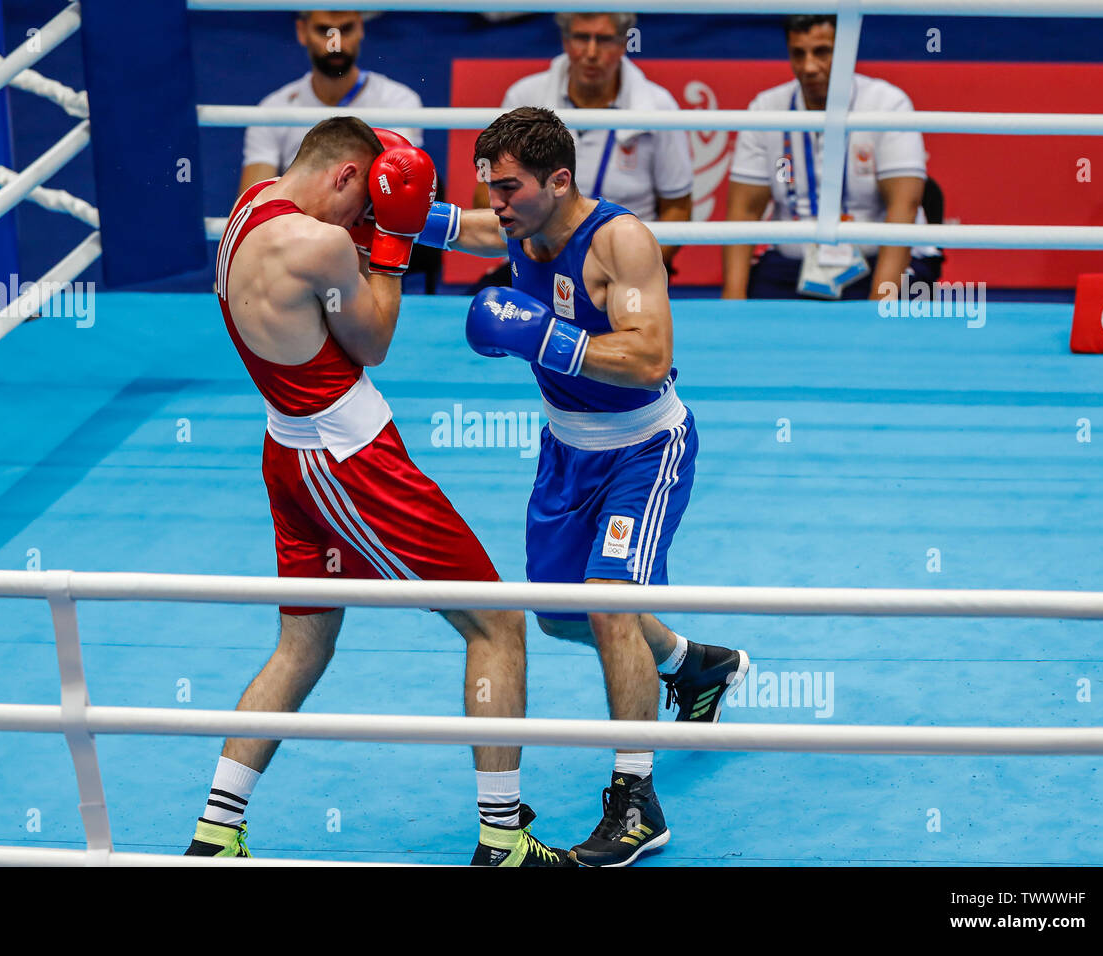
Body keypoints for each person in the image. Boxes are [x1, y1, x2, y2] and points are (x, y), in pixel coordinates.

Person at [187, 117, 570, 867]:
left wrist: (518, 220)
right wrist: (391, 244)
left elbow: (443, 226)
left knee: (303, 643)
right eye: (363, 202)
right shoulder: (321, 244)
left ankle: (216, 831)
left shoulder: (255, 210)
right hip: (349, 462)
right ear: (341, 177)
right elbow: (376, 340)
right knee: (496, 622)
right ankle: (504, 842)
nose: (362, 219)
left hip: (288, 453)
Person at [417, 107, 749, 867]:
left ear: (559, 179)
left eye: (509, 188)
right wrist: (399, 219)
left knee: (608, 605)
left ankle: (636, 802)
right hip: (567, 453)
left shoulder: (619, 241)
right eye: (489, 189)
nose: (496, 203)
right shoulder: (517, 222)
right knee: (565, 619)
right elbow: (470, 230)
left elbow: (646, 358)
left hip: (643, 448)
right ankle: (694, 664)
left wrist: (543, 337)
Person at [722, 14, 942, 301]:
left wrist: (877, 311)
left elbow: (903, 208)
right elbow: (744, 212)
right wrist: (733, 306)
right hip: (795, 267)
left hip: (881, 263)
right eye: (798, 54)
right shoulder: (766, 108)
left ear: (848, 49)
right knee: (754, 331)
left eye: (822, 52)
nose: (809, 66)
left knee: (893, 319)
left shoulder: (889, 104)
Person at [471, 12, 693, 279]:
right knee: (482, 311)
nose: (591, 52)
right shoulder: (524, 96)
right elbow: (487, 193)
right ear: (565, 41)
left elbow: (677, 207)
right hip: (535, 259)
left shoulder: (658, 107)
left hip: (619, 265)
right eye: (580, 38)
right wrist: (524, 252)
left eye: (604, 40)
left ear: (624, 43)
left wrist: (638, 267)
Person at [238, 10, 423, 195]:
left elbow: (398, 192)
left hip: (370, 220)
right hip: (297, 220)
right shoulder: (273, 109)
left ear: (360, 28)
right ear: (302, 32)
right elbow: (254, 205)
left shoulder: (398, 101)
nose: (336, 43)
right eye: (324, 30)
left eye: (346, 29)